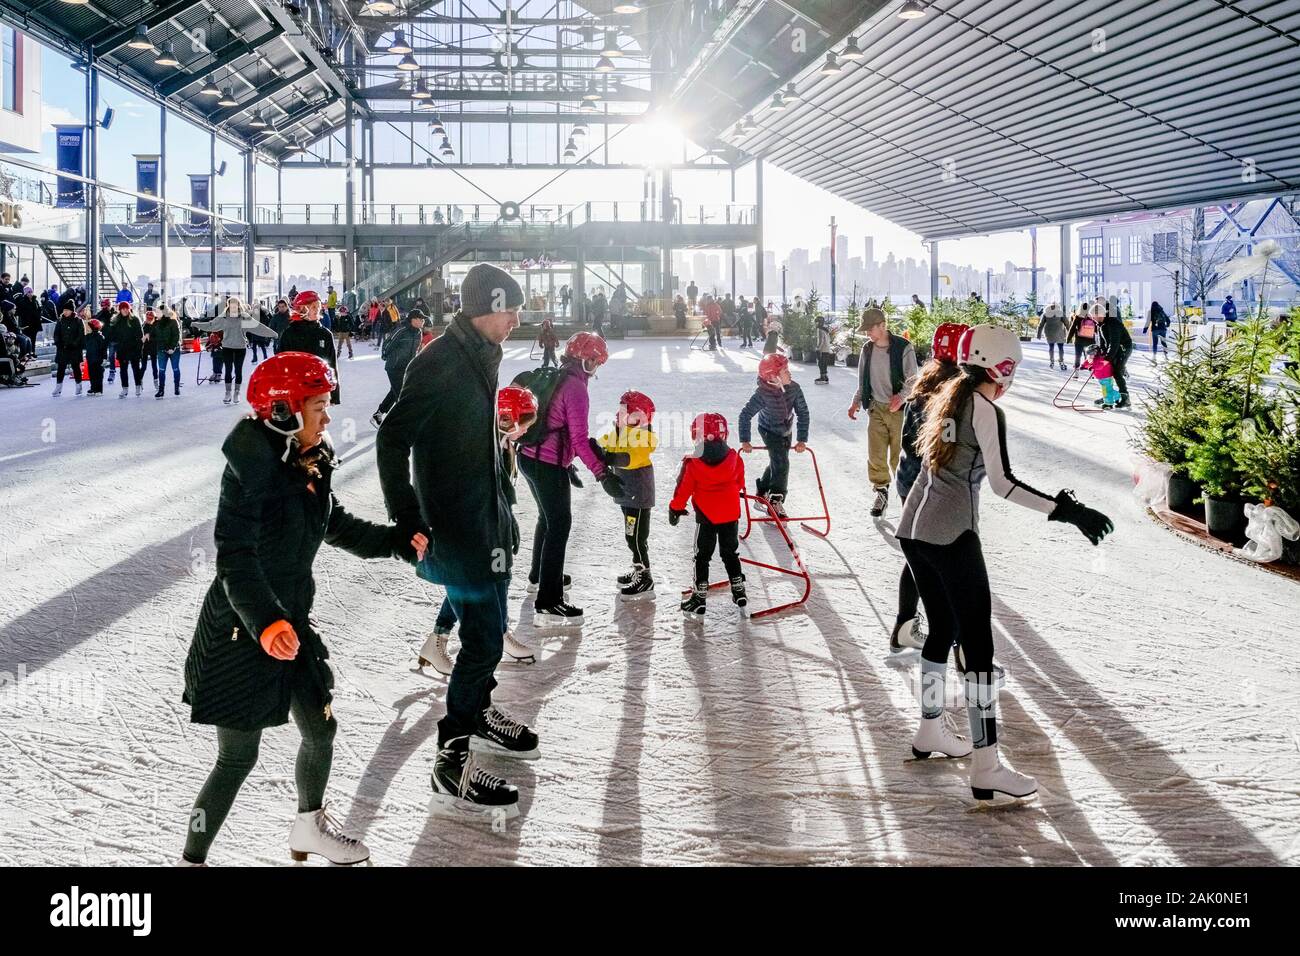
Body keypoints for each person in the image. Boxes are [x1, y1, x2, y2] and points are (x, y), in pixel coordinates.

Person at [179, 353, 426, 866]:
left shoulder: (309, 461)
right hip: (243, 628)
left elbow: (332, 523)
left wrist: (399, 543)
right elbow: (235, 558)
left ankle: (308, 826)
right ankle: (191, 860)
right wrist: (266, 621)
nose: (328, 418)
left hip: (291, 621)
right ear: (285, 413)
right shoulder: (251, 468)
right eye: (318, 407)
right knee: (237, 759)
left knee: (320, 728)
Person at [897, 325, 1112, 801]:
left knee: (942, 630)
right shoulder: (986, 408)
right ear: (1003, 366)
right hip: (951, 535)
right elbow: (1004, 484)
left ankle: (930, 728)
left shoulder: (948, 395)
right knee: (977, 646)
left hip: (914, 530)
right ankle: (986, 764)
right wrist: (1066, 511)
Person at [376, 261, 536, 816]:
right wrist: (406, 514)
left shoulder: (480, 355)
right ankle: (451, 757)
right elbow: (392, 438)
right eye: (510, 307)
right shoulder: (441, 361)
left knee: (488, 631)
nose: (517, 318)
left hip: (486, 520)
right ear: (485, 308)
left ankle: (480, 708)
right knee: (486, 641)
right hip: (455, 527)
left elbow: (468, 436)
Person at [418, 387, 541, 676]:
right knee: (469, 582)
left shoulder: (504, 444)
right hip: (474, 529)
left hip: (496, 528)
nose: (525, 431)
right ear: (505, 419)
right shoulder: (473, 445)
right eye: (522, 424)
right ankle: (439, 639)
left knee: (501, 577)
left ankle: (498, 632)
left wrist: (508, 523)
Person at [517, 330, 623, 626]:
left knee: (546, 519)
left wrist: (569, 464)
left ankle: (539, 577)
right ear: (582, 358)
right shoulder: (576, 387)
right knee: (559, 524)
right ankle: (549, 601)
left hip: (529, 457)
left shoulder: (558, 376)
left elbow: (558, 429)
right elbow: (578, 439)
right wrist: (602, 475)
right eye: (593, 361)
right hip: (546, 464)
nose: (595, 367)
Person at [889, 323, 967, 655]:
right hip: (934, 483)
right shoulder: (954, 389)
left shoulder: (925, 382)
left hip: (910, 479)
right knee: (953, 562)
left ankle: (905, 625)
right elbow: (944, 446)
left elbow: (912, 439)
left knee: (921, 555)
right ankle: (965, 650)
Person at [670, 413, 747, 617]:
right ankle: (739, 590)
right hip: (730, 514)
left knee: (702, 557)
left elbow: (683, 490)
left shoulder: (692, 462)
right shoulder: (734, 457)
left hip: (707, 517)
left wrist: (675, 508)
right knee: (730, 554)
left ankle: (699, 597)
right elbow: (740, 483)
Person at [848, 306, 918, 518]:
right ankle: (881, 491)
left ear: (883, 326)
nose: (867, 333)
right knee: (876, 454)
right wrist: (856, 402)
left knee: (899, 456)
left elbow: (913, 381)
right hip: (876, 407)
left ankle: (910, 499)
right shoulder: (867, 349)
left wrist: (901, 397)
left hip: (899, 411)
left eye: (870, 329)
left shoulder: (903, 348)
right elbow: (863, 380)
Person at [592, 390, 658, 598]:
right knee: (632, 535)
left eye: (625, 411)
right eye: (620, 410)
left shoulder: (644, 437)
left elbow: (628, 459)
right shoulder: (619, 432)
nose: (619, 414)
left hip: (638, 496)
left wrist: (605, 457)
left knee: (636, 538)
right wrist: (591, 446)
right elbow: (603, 443)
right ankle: (638, 569)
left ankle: (645, 577)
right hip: (626, 495)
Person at [738, 353, 810, 521]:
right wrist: (745, 440)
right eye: (785, 371)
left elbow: (803, 413)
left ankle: (762, 490)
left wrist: (801, 439)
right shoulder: (763, 394)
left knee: (778, 460)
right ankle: (775, 500)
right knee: (782, 462)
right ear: (773, 377)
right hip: (769, 430)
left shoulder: (794, 389)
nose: (789, 373)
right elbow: (745, 415)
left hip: (786, 430)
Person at [192, 296, 279, 405]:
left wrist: (273, 334)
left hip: (240, 348)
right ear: (229, 305)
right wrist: (197, 324)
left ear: (238, 305)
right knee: (228, 370)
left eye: (235, 304)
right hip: (227, 347)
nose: (233, 306)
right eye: (231, 304)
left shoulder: (244, 318)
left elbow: (258, 327)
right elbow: (211, 325)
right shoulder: (223, 318)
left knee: (238, 371)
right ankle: (228, 393)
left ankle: (236, 393)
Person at [276, 290, 340, 405]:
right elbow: (280, 365)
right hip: (296, 392)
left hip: (319, 392)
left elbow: (331, 365)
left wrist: (334, 395)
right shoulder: (289, 333)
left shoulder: (325, 334)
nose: (317, 310)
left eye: (318, 306)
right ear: (301, 309)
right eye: (313, 307)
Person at [372, 307, 426, 427]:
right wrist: (386, 356)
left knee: (395, 391)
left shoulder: (418, 333)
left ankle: (378, 414)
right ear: (413, 319)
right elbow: (388, 343)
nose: (423, 322)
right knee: (402, 395)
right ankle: (400, 424)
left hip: (407, 367)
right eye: (421, 319)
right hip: (394, 367)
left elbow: (416, 350)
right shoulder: (402, 330)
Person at [1098, 296, 1134, 408]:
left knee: (1117, 372)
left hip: (1123, 347)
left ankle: (1125, 398)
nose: (1092, 318)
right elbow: (1103, 343)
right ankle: (1109, 395)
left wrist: (1107, 358)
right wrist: (1101, 356)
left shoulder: (1112, 321)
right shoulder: (1101, 324)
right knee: (1109, 372)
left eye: (1094, 315)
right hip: (1115, 348)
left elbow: (1114, 342)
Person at [112, 300, 145, 398]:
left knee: (135, 368)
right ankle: (125, 388)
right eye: (123, 309)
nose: (125, 310)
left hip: (134, 348)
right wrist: (116, 344)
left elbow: (140, 335)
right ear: (120, 310)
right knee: (123, 370)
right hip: (122, 349)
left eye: (126, 308)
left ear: (129, 309)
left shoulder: (135, 319)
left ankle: (138, 386)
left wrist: (139, 348)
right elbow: (113, 334)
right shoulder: (116, 320)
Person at [51, 302, 85, 397]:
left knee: (76, 367)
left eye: (67, 310)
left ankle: (78, 386)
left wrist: (75, 344)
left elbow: (81, 334)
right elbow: (56, 334)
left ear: (72, 311)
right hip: (63, 348)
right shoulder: (60, 320)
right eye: (64, 310)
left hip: (74, 348)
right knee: (61, 368)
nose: (65, 312)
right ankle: (58, 387)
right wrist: (58, 343)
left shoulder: (78, 321)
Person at [153, 306, 183, 399]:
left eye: (158, 312)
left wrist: (172, 347)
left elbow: (176, 336)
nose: (156, 313)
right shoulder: (156, 323)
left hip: (174, 349)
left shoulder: (173, 321)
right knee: (161, 370)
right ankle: (161, 390)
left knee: (175, 368)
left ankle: (177, 387)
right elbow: (154, 336)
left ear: (164, 312)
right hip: (162, 349)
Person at [1066, 300, 1100, 370]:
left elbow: (1072, 329)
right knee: (1090, 356)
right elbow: (1097, 330)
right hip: (1090, 340)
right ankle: (1091, 371)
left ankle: (1076, 373)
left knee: (1077, 356)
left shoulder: (1078, 317)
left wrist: (1068, 339)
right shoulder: (1092, 318)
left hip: (1079, 340)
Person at [1036, 302, 1068, 370]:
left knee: (1051, 347)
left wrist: (1038, 335)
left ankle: (1052, 361)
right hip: (1059, 332)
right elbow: (1067, 323)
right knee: (1061, 348)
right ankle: (1061, 361)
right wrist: (1070, 332)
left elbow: (1040, 325)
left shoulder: (1045, 313)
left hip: (1049, 332)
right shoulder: (1060, 313)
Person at [84, 318, 107, 396]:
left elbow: (104, 349)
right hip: (90, 358)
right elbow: (84, 345)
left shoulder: (100, 337)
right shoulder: (88, 337)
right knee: (92, 374)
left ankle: (99, 390)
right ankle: (93, 388)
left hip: (98, 359)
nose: (87, 328)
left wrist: (104, 358)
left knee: (99, 374)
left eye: (88, 327)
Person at [815, 315, 833, 383]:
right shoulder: (825, 329)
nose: (816, 323)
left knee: (821, 363)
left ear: (818, 322)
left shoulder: (819, 329)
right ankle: (825, 377)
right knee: (824, 364)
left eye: (816, 322)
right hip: (827, 349)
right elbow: (829, 340)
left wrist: (817, 349)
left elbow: (820, 341)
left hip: (822, 350)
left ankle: (822, 377)